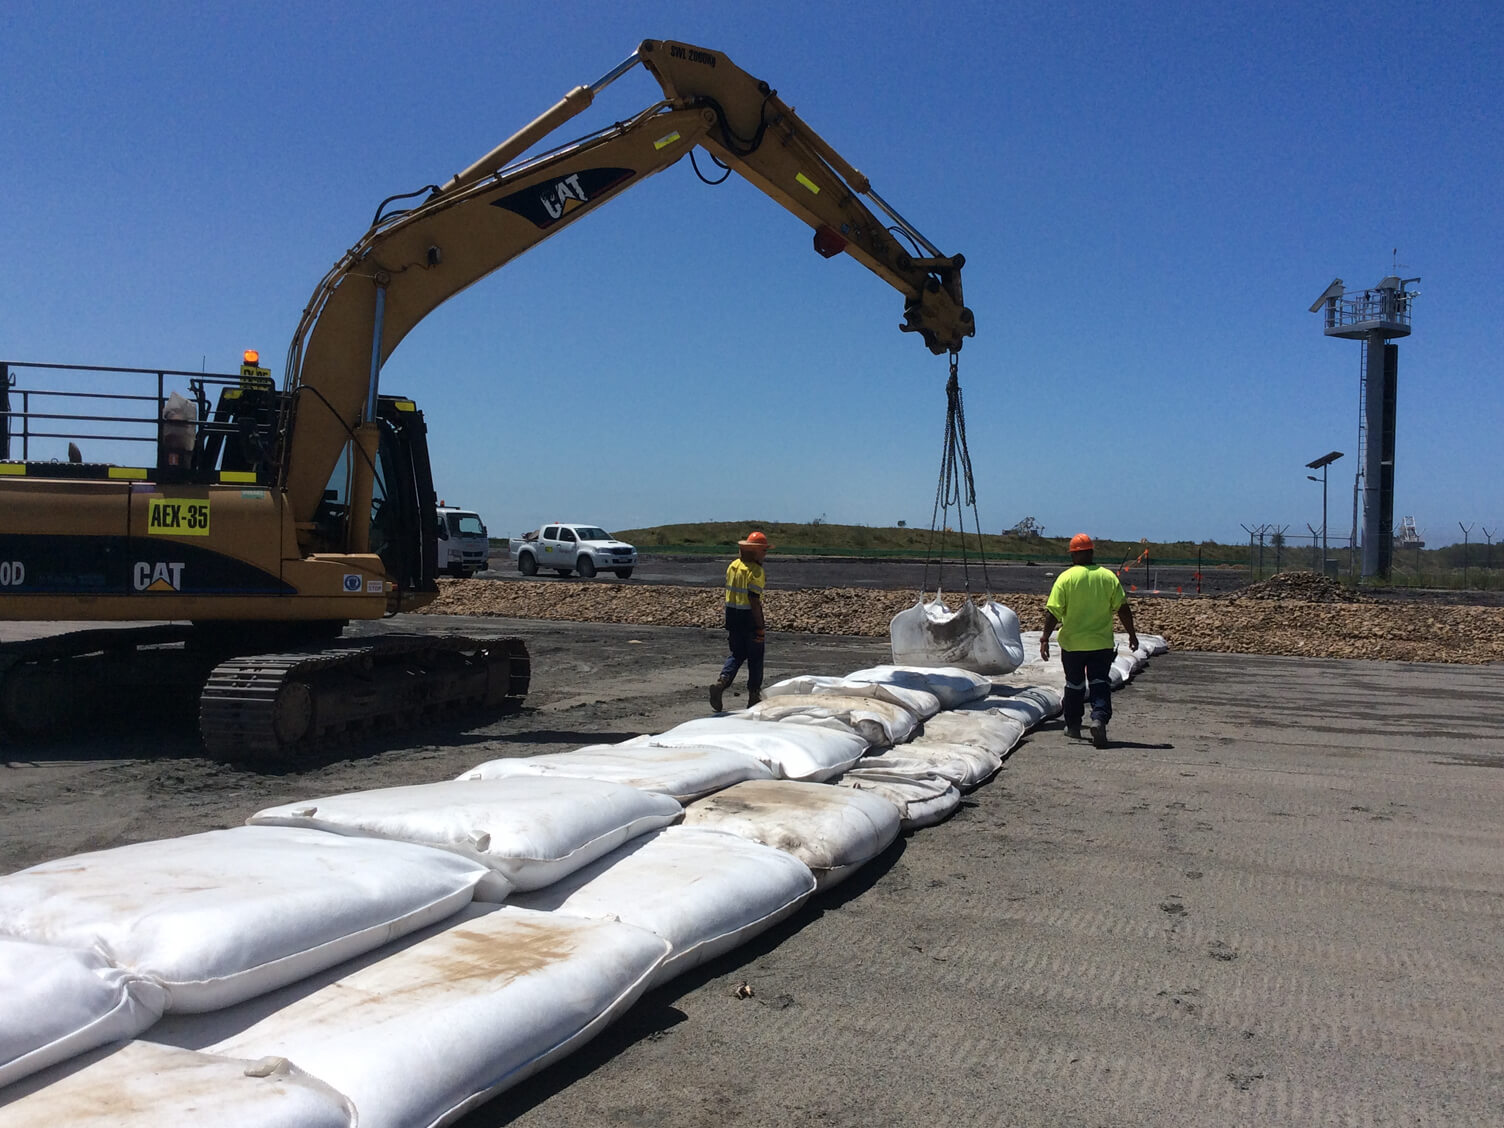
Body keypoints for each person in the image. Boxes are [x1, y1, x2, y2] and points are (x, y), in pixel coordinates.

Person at [1040, 533, 1138, 748]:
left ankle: (1073, 726)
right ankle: (1099, 719)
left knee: (1074, 685)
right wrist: (1132, 634)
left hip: (1073, 645)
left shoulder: (1066, 578)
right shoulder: (1107, 577)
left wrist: (1045, 638)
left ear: (1073, 555)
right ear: (1091, 552)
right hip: (1101, 644)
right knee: (1099, 683)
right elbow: (1123, 608)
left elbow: (1053, 612)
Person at [710, 531, 771, 711]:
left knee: (737, 654)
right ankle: (753, 696)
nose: (765, 554)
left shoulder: (733, 566)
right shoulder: (756, 571)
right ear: (755, 551)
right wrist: (760, 626)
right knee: (756, 658)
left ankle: (722, 682)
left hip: (732, 616)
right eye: (764, 550)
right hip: (749, 618)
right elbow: (754, 600)